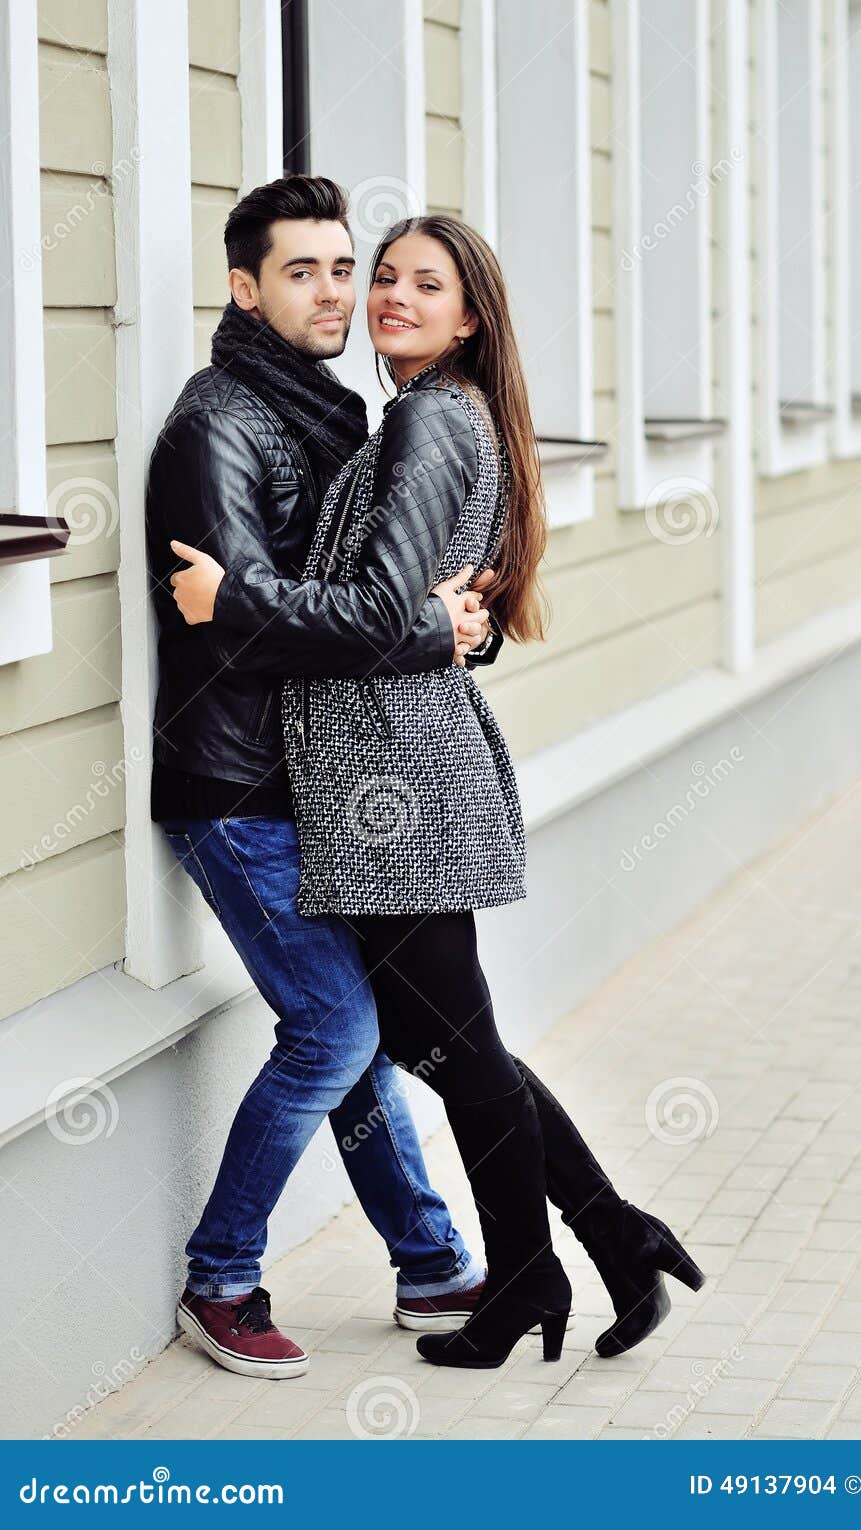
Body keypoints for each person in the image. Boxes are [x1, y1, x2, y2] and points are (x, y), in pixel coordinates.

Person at [170, 208, 706, 1370]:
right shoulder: (436, 415)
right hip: (388, 766)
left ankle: (533, 1276)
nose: (390, 298)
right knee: (445, 1040)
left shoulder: (427, 417)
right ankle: (605, 1242)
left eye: (425, 284)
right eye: (385, 277)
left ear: (469, 318)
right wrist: (438, 622)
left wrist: (233, 601)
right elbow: (426, 604)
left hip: (396, 777)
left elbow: (378, 609)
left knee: (454, 1047)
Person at [146, 175, 502, 1380]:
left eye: (346, 267)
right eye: (303, 271)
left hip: (315, 781)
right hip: (234, 785)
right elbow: (237, 629)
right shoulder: (215, 427)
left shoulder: (341, 412)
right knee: (337, 1027)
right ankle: (221, 1275)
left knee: (363, 1027)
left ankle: (431, 1260)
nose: (338, 292)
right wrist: (429, 632)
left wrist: (456, 622)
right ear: (245, 289)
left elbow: (378, 590)